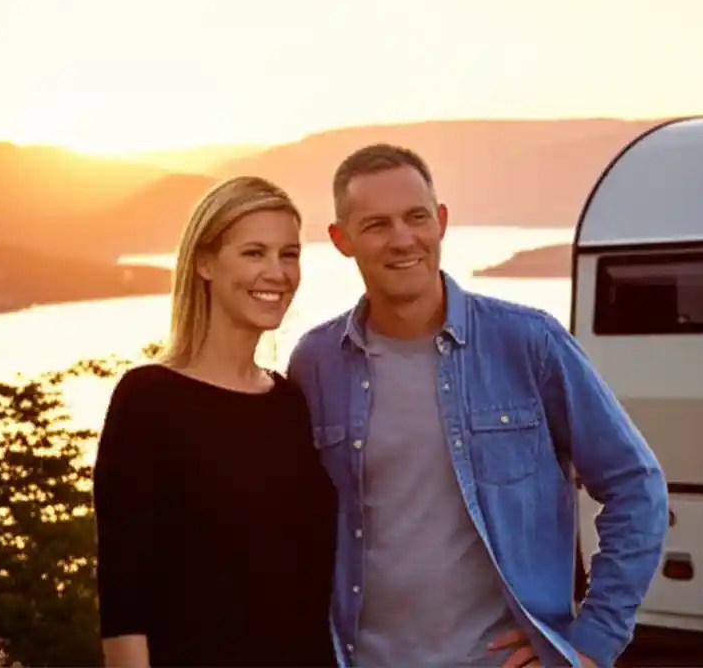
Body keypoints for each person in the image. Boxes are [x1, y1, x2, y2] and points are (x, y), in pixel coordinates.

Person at [287, 144, 669, 668]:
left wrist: (590, 642)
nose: (403, 239)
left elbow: (636, 485)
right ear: (341, 240)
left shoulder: (529, 342)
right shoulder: (316, 363)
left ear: (441, 221)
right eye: (376, 225)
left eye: (417, 217)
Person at [93, 176, 337, 668]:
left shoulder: (290, 402)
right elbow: (123, 600)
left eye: (289, 254)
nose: (277, 273)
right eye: (254, 253)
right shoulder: (148, 400)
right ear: (204, 262)